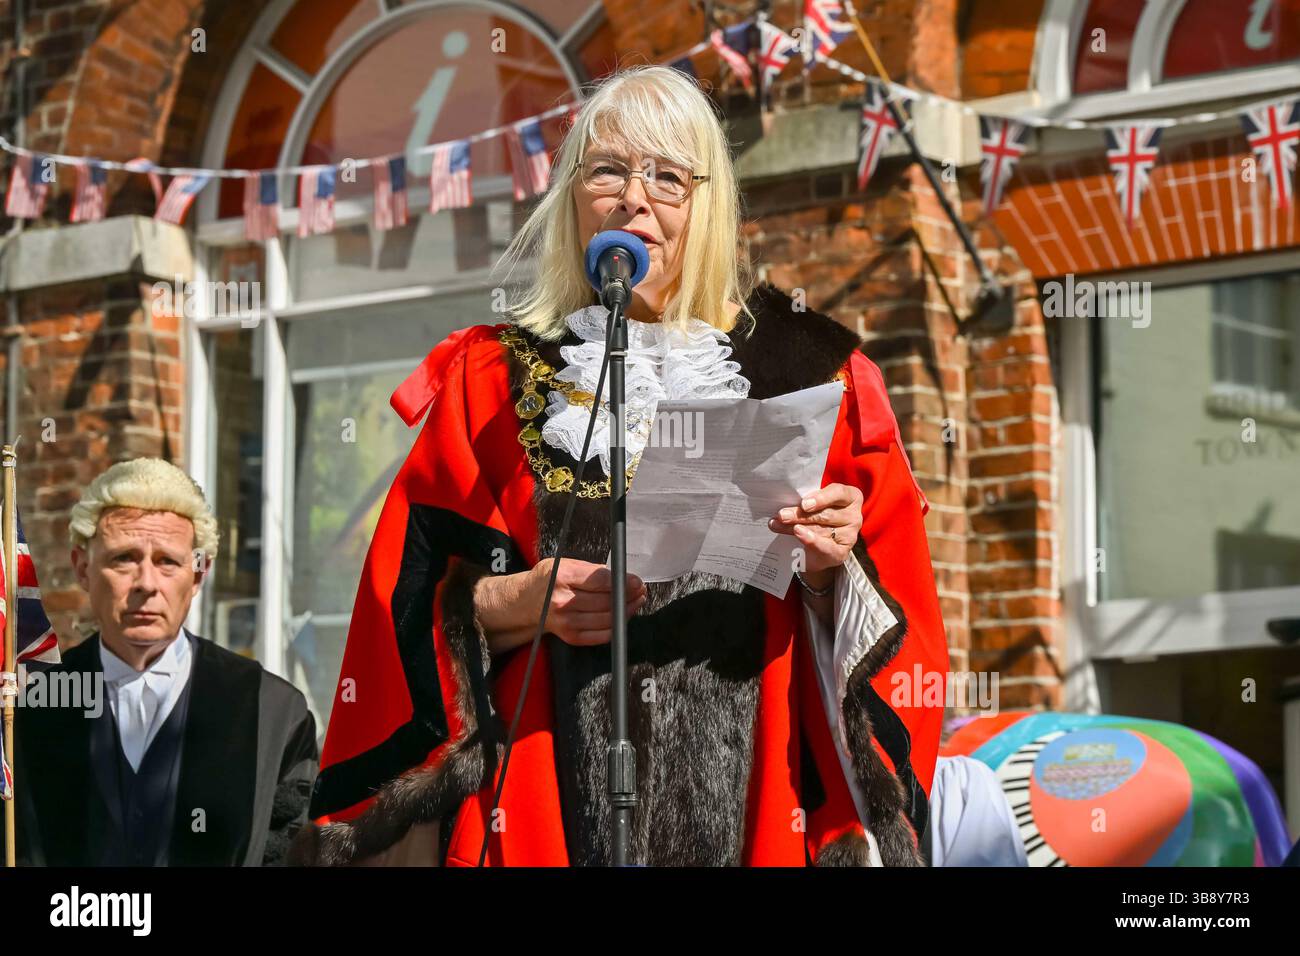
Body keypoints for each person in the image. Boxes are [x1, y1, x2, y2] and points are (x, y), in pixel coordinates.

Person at [293, 64, 949, 867]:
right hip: (542, 806)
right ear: (573, 197)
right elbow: (402, 598)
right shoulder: (497, 382)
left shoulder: (815, 373)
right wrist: (510, 602)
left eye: (668, 176)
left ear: (707, 205)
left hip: (763, 807)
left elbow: (903, 624)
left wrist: (827, 573)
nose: (634, 197)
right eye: (607, 170)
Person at [8, 457, 318, 866]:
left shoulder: (272, 712)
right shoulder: (32, 708)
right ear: (83, 568)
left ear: (198, 574)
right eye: (124, 558)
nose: (146, 584)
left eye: (167, 562)